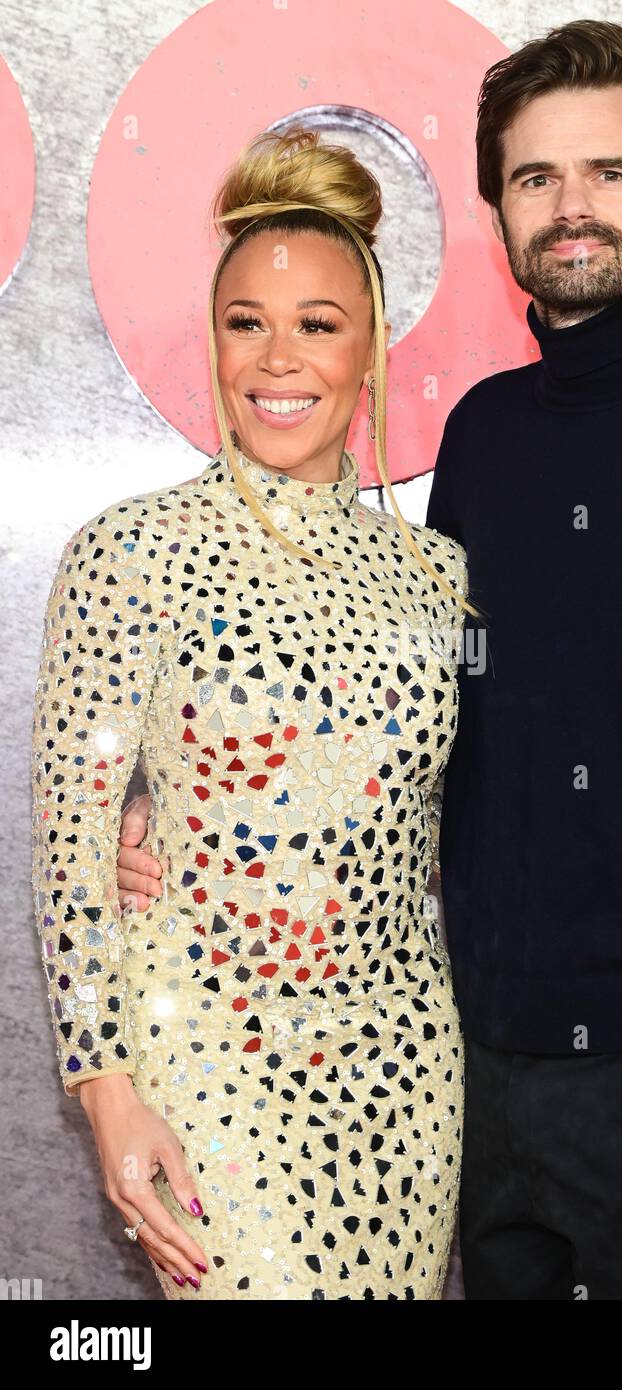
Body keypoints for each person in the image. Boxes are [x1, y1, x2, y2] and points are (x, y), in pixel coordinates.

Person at [117, 21, 622, 1301]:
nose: (571, 209)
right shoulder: (488, 437)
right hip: (468, 1077)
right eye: (534, 178)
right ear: (498, 209)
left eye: (608, 174)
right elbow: (423, 731)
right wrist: (183, 815)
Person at [31, 126, 474, 1300]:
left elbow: (429, 838)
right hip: (207, 1064)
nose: (277, 359)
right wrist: (108, 1087)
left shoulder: (436, 574)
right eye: (246, 323)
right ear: (214, 341)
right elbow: (72, 849)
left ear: (371, 346)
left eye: (317, 324)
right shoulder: (132, 553)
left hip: (407, 1072)